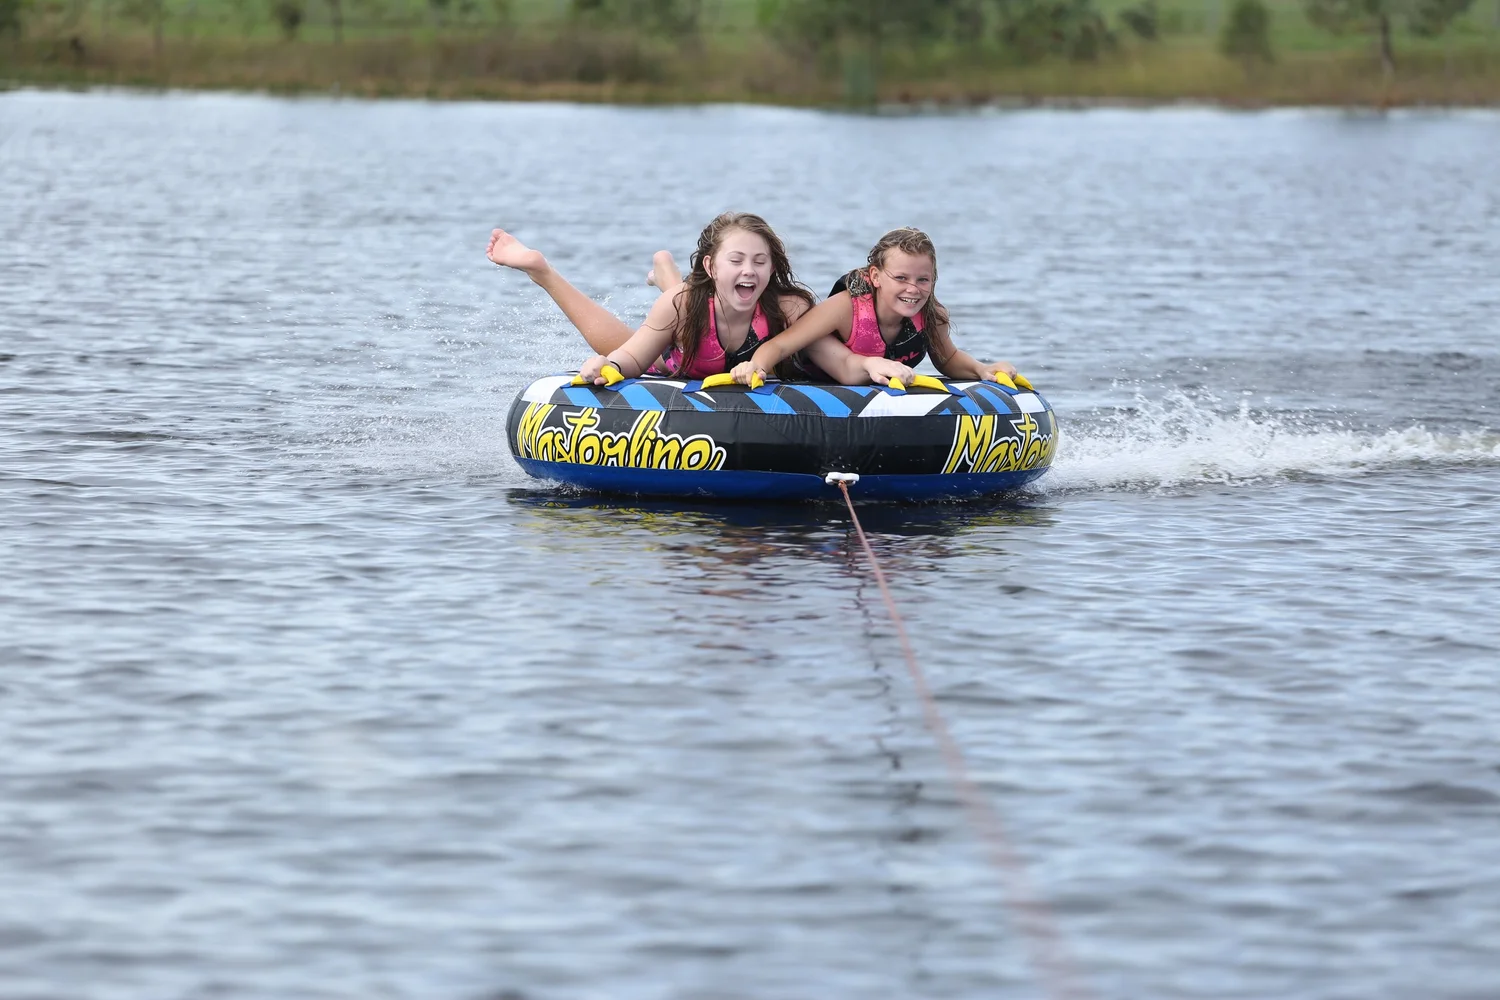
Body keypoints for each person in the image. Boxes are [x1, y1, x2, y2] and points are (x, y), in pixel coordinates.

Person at [486, 213, 914, 386]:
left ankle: (665, 273)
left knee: (678, 297)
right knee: (636, 331)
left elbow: (838, 361)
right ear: (712, 266)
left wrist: (872, 364)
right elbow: (632, 358)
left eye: (760, 261)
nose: (750, 270)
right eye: (738, 260)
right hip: (683, 357)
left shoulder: (787, 310)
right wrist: (608, 365)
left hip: (701, 305)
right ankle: (542, 270)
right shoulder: (684, 305)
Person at [731, 227, 1018, 386]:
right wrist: (757, 367)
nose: (913, 289)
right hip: (812, 375)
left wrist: (983, 370)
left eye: (923, 280)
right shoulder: (844, 309)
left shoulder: (932, 316)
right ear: (876, 276)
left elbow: (947, 359)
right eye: (901, 278)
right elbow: (780, 346)